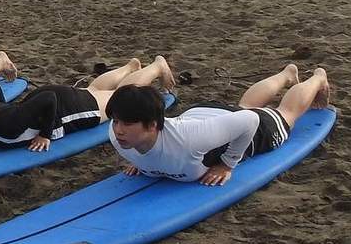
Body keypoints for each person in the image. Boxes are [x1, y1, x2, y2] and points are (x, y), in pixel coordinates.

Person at [107, 64, 330, 185]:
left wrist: (227, 164)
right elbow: (151, 147)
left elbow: (250, 120)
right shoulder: (117, 137)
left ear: (152, 125)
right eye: (116, 122)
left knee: (285, 114)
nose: (118, 130)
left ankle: (318, 78)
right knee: (243, 106)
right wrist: (143, 159)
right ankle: (286, 74)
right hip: (204, 116)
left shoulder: (189, 140)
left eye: (127, 124)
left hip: (232, 129)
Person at [0, 56, 175, 151]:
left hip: (66, 106)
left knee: (118, 98)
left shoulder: (8, 124)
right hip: (52, 98)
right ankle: (129, 68)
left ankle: (157, 66)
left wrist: (46, 134)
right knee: (93, 90)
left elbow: (49, 99)